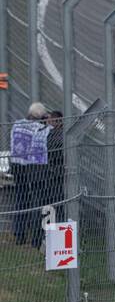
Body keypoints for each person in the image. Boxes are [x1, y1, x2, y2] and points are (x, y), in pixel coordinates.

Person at [8, 102, 50, 246]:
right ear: (41, 115)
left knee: (20, 198)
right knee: (36, 200)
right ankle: (36, 236)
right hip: (33, 168)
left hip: (17, 165)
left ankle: (19, 233)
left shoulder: (17, 124)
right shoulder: (41, 128)